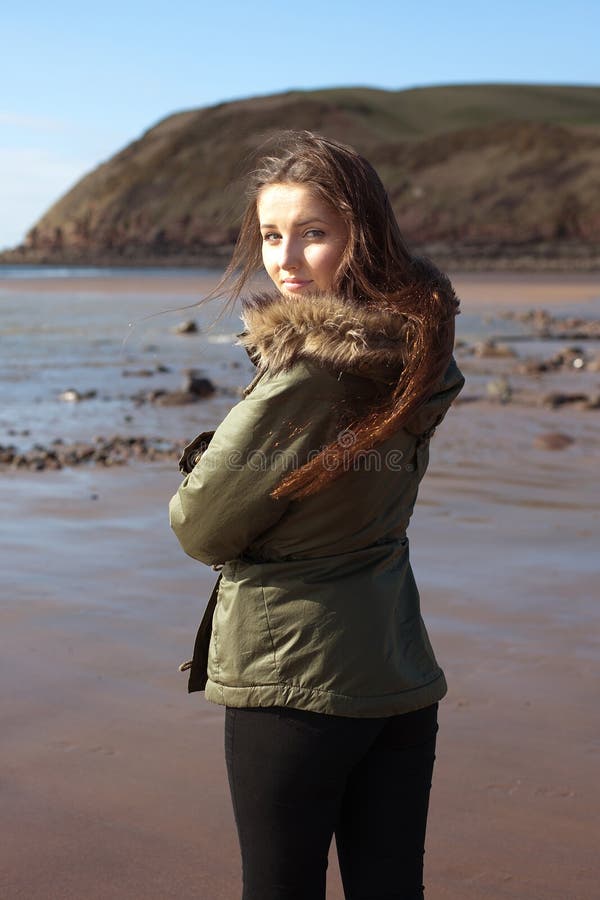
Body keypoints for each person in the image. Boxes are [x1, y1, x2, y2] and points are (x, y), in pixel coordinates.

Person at [169, 130, 465, 900]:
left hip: (292, 676)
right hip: (396, 670)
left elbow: (200, 527)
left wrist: (206, 463)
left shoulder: (311, 377)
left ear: (358, 234)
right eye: (272, 234)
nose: (286, 259)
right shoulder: (421, 353)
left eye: (313, 232)